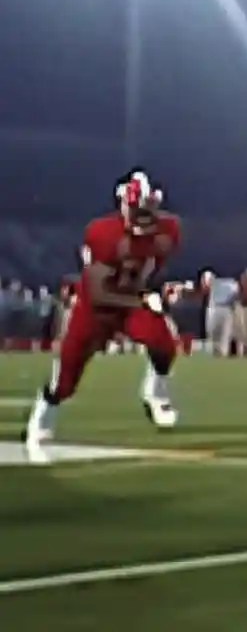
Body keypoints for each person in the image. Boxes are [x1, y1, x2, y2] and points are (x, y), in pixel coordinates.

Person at [24, 170, 182, 464]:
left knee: (164, 343)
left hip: (131, 303)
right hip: (95, 310)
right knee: (66, 380)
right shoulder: (103, 233)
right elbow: (99, 293)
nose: (140, 216)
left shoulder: (168, 230)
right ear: (124, 205)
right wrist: (144, 298)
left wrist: (154, 291)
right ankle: (42, 419)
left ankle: (156, 394)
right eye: (135, 210)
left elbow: (154, 269)